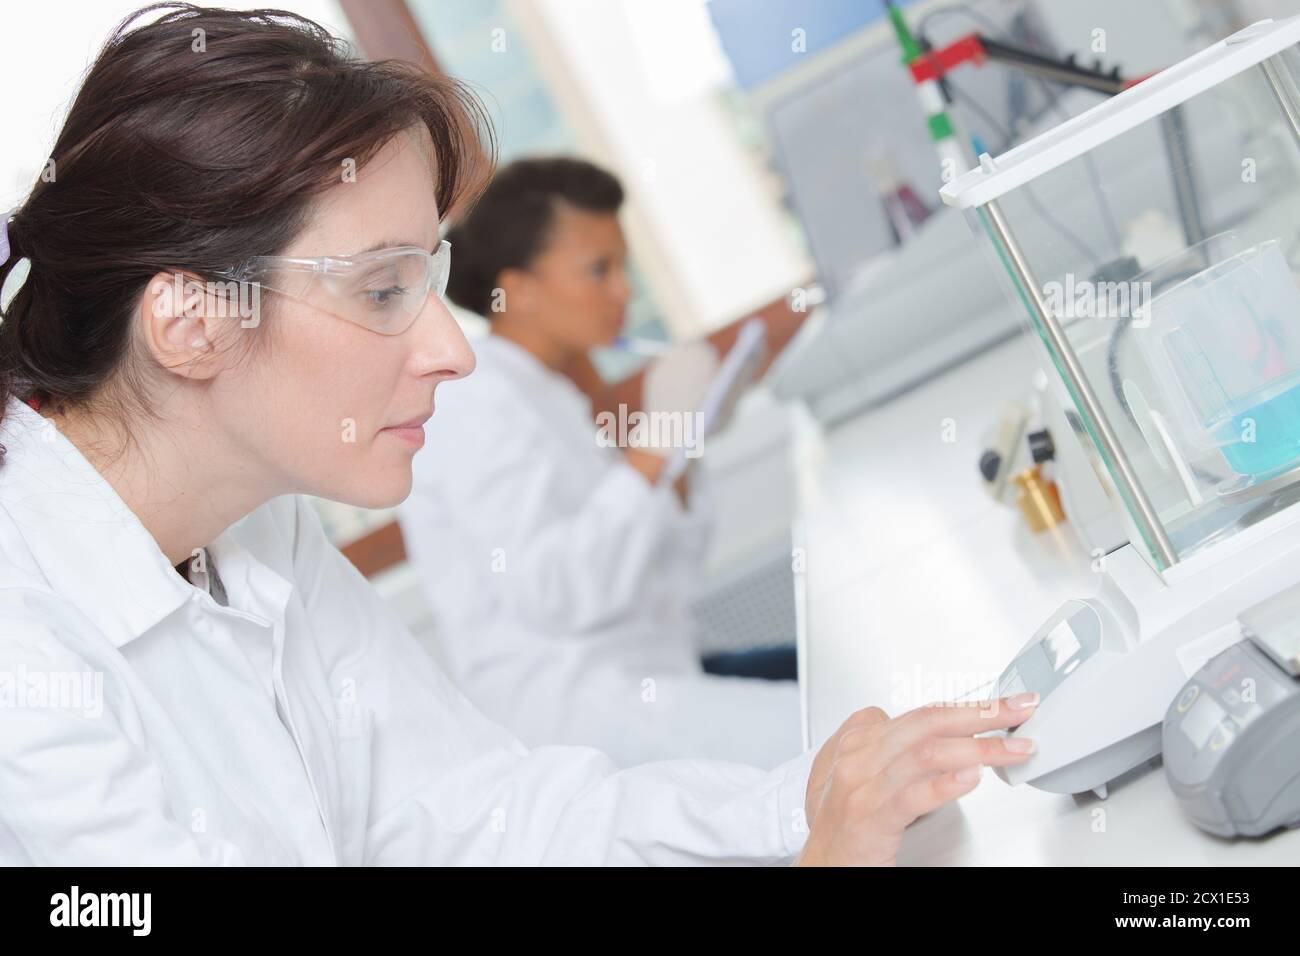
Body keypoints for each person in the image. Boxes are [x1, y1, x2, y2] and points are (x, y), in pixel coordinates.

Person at [0, 3, 1038, 866]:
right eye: (380, 288)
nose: (453, 350)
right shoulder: (25, 654)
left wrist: (803, 809)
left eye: (430, 280)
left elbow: (478, 809)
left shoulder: (255, 535)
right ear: (189, 324)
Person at [397, 158, 802, 768]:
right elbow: (557, 592)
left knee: (834, 680)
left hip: (658, 676)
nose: (624, 291)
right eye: (598, 270)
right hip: (579, 720)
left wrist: (682, 456)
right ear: (520, 289)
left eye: (623, 266)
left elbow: (670, 568)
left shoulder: (551, 393)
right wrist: (654, 449)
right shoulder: (471, 401)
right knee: (835, 729)